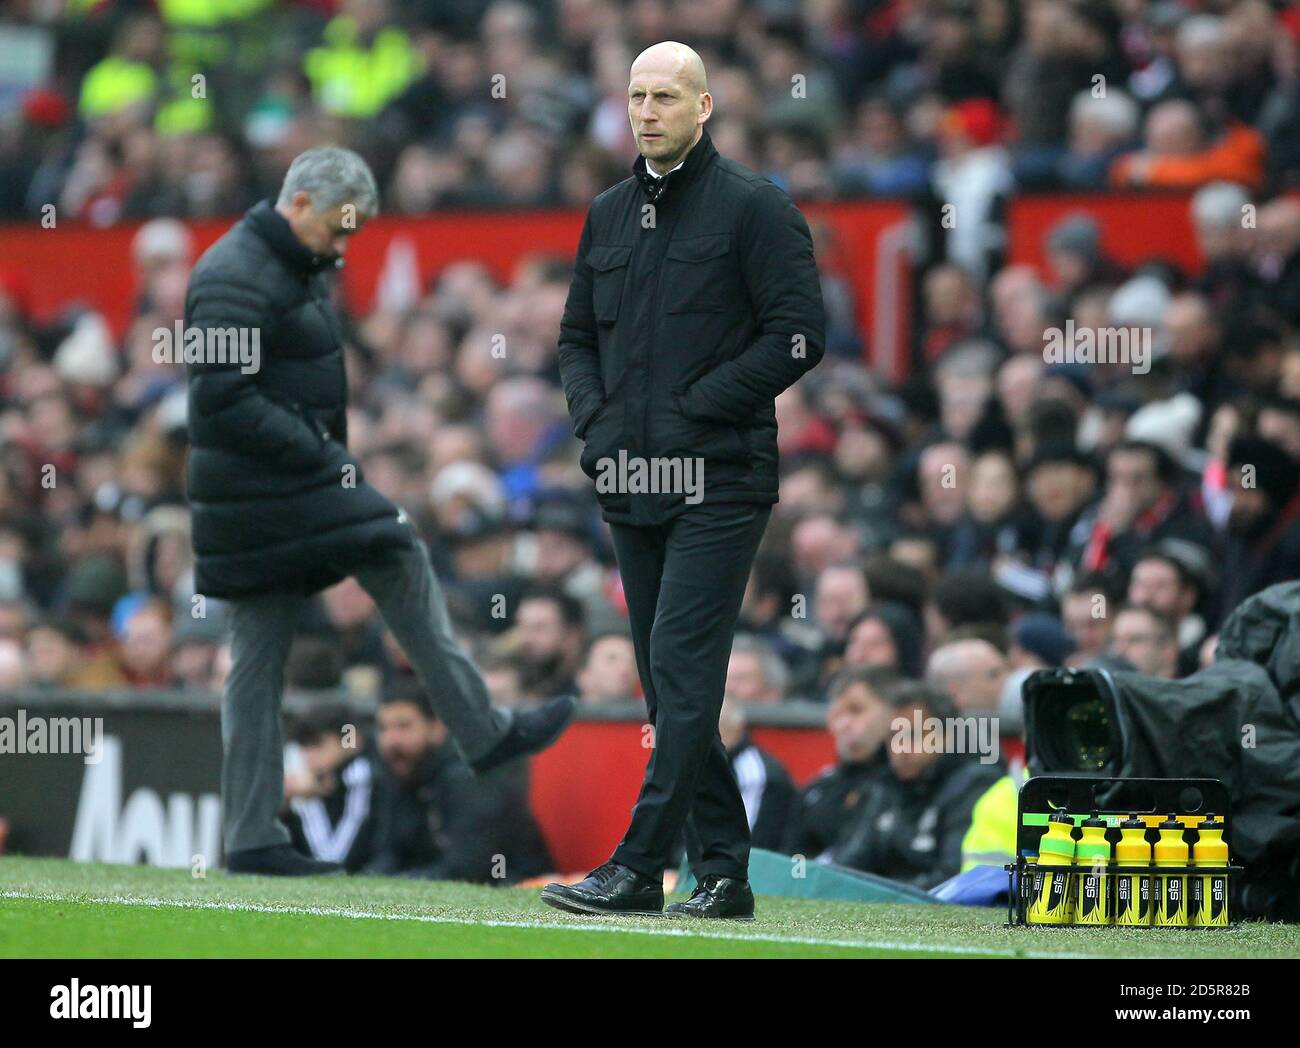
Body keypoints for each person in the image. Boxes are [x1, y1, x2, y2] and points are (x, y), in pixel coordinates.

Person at [184, 146, 575, 876]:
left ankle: (251, 839)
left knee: (259, 651)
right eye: (337, 228)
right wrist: (321, 452)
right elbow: (220, 396)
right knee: (394, 547)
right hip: (271, 486)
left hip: (270, 484)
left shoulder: (284, 265)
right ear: (299, 203)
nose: (342, 245)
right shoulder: (231, 273)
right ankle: (481, 730)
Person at [543, 41, 824, 920]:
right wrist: (594, 423)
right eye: (636, 96)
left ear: (705, 107)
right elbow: (576, 337)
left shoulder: (756, 209)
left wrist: (699, 407)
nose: (647, 110)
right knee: (668, 685)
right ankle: (728, 874)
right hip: (628, 478)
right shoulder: (609, 214)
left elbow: (800, 335)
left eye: (666, 95)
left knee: (680, 665)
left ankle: (638, 864)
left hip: (720, 478)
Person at [366, 684, 553, 883]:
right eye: (383, 728)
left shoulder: (470, 775)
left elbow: (467, 869)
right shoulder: (402, 770)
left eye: (404, 726)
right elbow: (390, 852)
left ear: (436, 728)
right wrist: (369, 881)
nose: (390, 740)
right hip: (440, 879)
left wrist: (396, 882)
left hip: (513, 883)